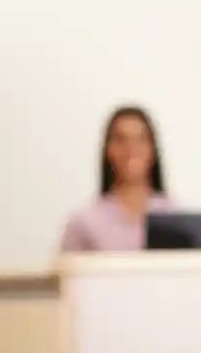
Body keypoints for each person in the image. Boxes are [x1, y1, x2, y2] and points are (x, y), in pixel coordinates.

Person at [59, 105, 175, 252]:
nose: (131, 149)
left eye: (141, 139)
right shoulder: (83, 223)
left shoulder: (175, 216)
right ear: (108, 150)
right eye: (121, 139)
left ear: (153, 149)